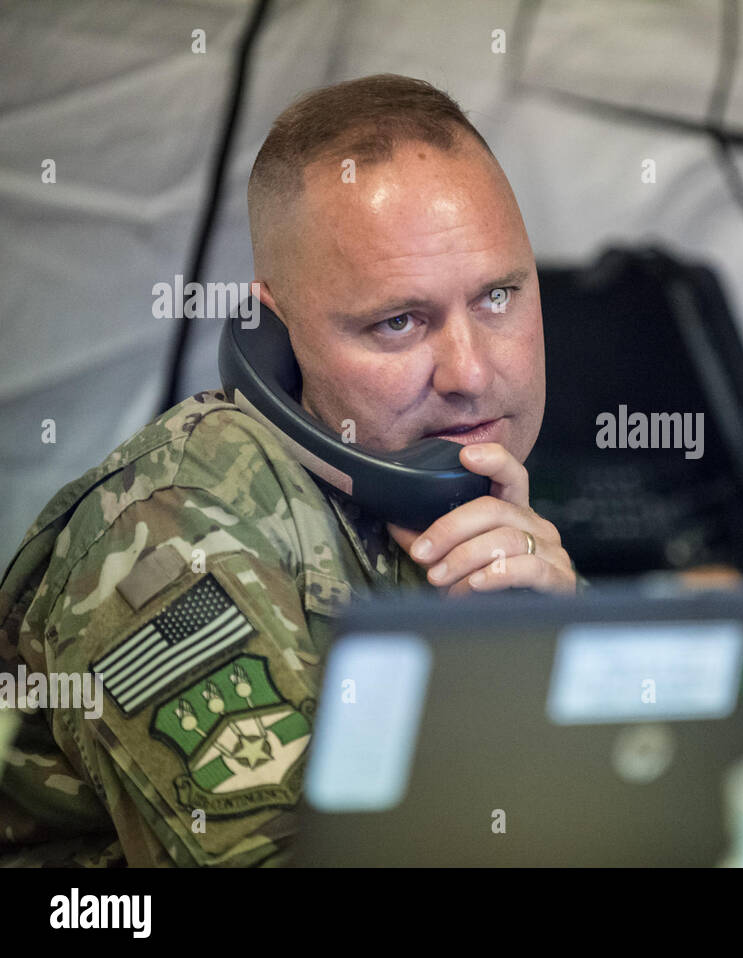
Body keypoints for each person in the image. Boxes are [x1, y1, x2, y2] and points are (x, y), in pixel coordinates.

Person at [0, 74, 580, 866]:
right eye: (399, 321)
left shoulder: (454, 500)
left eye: (498, 297)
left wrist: (557, 660)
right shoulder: (179, 525)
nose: (469, 373)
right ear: (277, 332)